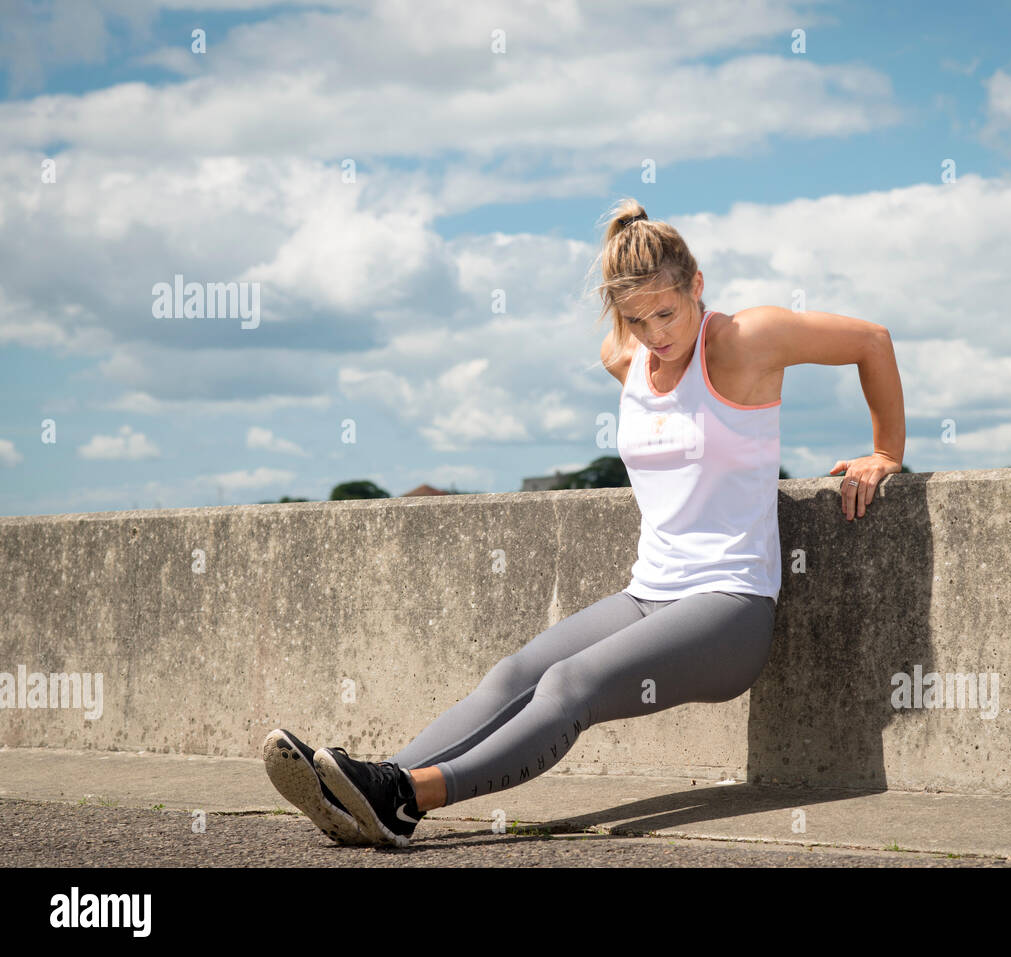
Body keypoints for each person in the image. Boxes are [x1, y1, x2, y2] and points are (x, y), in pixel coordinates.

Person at [263, 198, 905, 846]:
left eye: (667, 311)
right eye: (637, 318)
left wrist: (885, 452)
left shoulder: (744, 340)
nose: (656, 332)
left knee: (572, 684)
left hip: (729, 605)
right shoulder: (624, 360)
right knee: (514, 673)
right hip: (647, 593)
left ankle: (406, 797)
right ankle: (373, 785)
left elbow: (870, 341)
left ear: (698, 286)